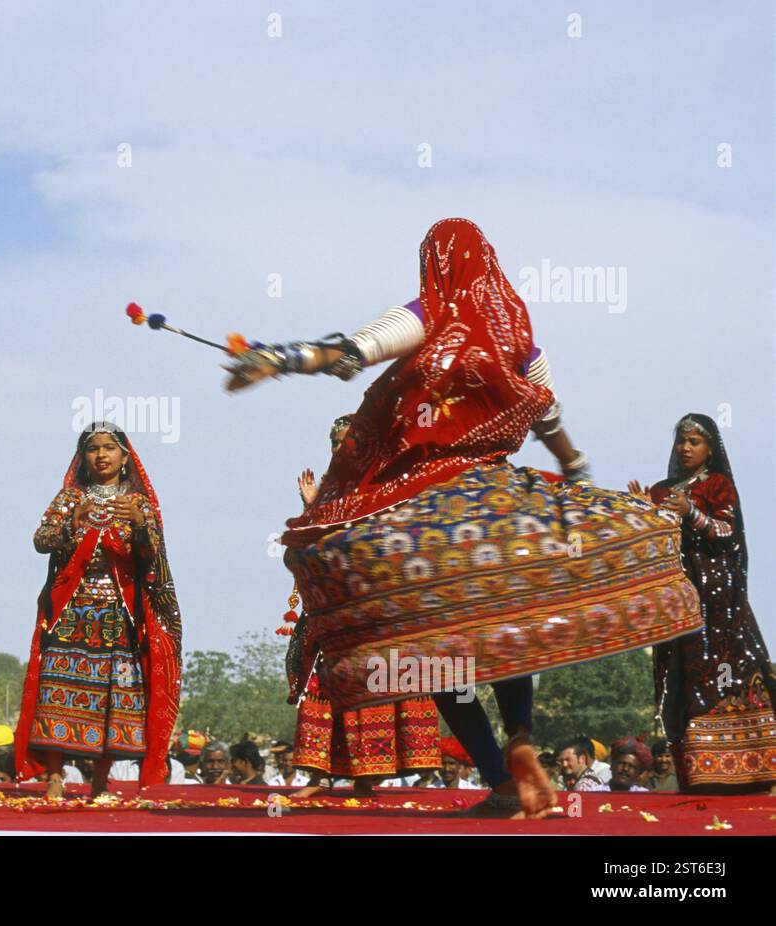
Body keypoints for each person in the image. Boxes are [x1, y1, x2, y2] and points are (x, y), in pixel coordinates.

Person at [225, 218, 702, 818]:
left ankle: (499, 775)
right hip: (502, 507)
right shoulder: (518, 332)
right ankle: (523, 740)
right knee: (504, 630)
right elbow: (547, 414)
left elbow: (351, 352)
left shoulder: (430, 313)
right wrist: (577, 472)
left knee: (435, 653)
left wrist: (279, 358)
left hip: (425, 515)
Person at [13, 422, 182, 799]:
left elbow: (151, 555)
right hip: (71, 610)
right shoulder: (69, 499)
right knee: (59, 689)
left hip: (119, 614)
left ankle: (101, 781)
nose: (101, 455)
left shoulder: (137, 503)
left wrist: (140, 527)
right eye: (93, 448)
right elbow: (41, 540)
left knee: (113, 694)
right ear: (82, 456)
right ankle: (55, 777)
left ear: (124, 457)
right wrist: (71, 527)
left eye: (109, 448)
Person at [288, 415, 440, 798]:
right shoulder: (327, 496)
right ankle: (318, 775)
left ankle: (366, 774)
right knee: (322, 683)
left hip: (374, 605)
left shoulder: (389, 490)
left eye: (348, 442)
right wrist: (311, 511)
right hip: (330, 606)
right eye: (335, 443)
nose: (341, 450)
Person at [630, 414, 776, 795]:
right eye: (681, 441)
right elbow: (652, 539)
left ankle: (747, 767)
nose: (686, 448)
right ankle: (697, 771)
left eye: (695, 441)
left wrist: (692, 513)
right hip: (677, 600)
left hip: (718, 603)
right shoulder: (663, 490)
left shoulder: (718, 484)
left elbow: (728, 531)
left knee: (727, 667)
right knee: (679, 674)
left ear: (710, 449)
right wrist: (640, 511)